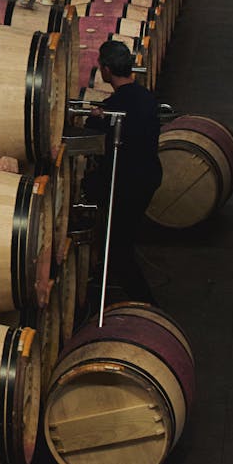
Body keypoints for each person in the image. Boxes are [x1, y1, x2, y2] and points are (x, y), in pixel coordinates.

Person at [83, 40, 162, 305]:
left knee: (119, 251)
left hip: (125, 185)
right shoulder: (147, 98)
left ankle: (147, 306)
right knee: (122, 238)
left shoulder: (112, 107)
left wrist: (96, 116)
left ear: (106, 70)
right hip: (148, 178)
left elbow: (91, 136)